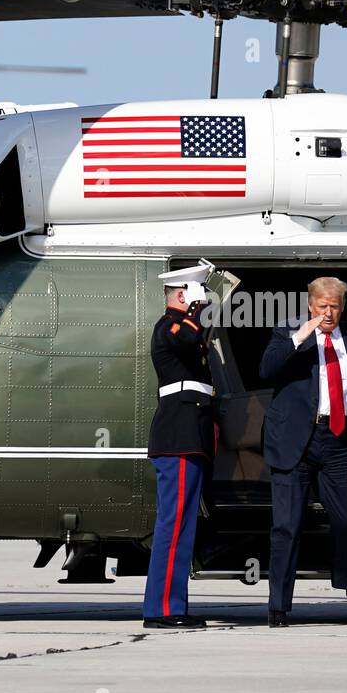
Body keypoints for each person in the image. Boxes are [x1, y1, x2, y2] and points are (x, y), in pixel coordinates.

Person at [259, 276, 347, 627]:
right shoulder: (288, 334)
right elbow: (267, 369)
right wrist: (300, 336)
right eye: (321, 306)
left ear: (343, 307)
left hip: (338, 440)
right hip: (295, 441)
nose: (328, 313)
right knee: (287, 525)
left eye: (334, 306)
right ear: (310, 306)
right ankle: (278, 605)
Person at [143, 262, 214, 629]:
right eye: (200, 292)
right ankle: (163, 610)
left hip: (189, 438)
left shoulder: (184, 326)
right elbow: (188, 337)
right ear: (185, 294)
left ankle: (171, 606)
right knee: (173, 525)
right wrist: (193, 309)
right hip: (179, 437)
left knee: (182, 525)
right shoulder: (170, 327)